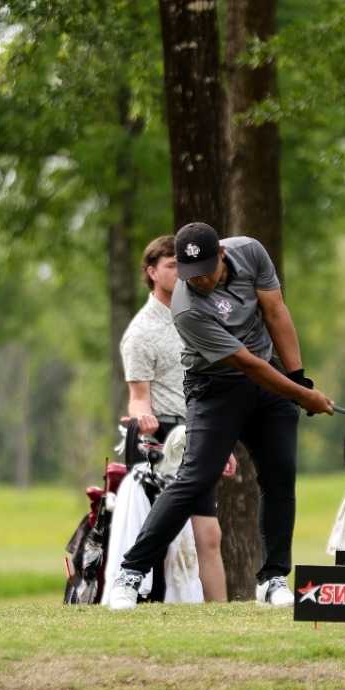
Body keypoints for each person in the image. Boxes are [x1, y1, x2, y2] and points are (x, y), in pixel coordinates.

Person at [109, 222, 335, 610]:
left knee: (280, 475)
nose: (198, 282)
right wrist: (304, 396)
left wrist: (299, 379)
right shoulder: (185, 307)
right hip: (215, 388)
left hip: (271, 376)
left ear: (223, 256)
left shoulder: (251, 251)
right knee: (196, 477)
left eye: (206, 273)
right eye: (189, 275)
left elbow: (276, 311)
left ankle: (273, 578)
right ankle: (130, 574)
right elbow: (244, 363)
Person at [119, 234, 235, 602]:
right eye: (171, 266)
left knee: (209, 535)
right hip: (159, 438)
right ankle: (152, 608)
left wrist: (221, 445)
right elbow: (137, 399)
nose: (179, 273)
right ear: (152, 272)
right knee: (162, 538)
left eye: (181, 266)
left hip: (197, 432)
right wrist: (146, 418)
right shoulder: (140, 333)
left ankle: (221, 615)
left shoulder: (200, 315)